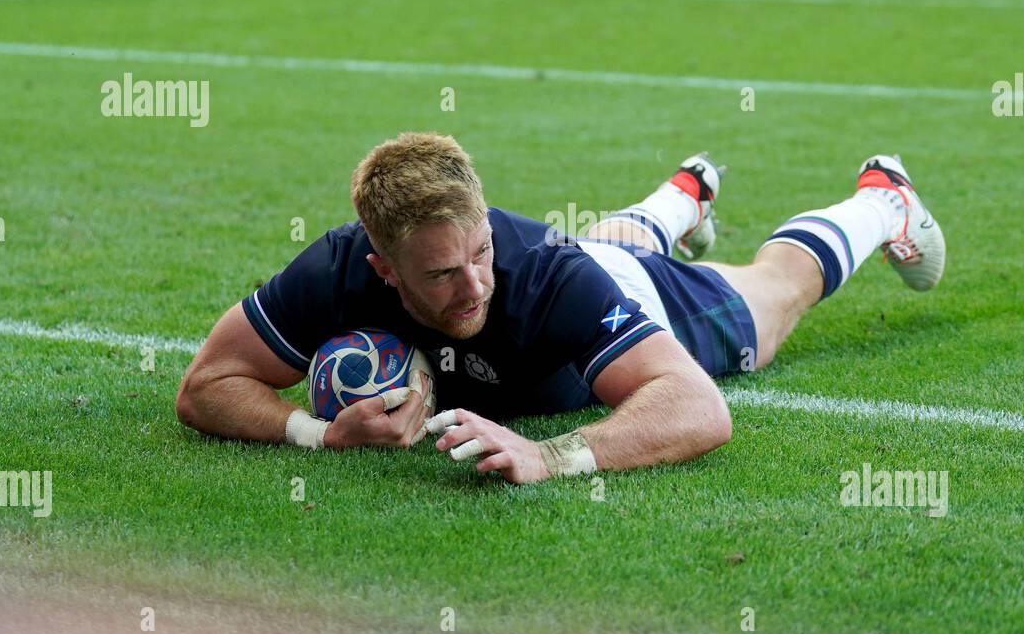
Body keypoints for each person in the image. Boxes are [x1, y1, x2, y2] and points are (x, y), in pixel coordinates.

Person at [176, 133, 946, 484]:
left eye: (480, 256)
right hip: (589, 262)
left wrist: (551, 456)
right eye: (442, 274)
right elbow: (204, 386)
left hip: (629, 291)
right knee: (600, 251)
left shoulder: (544, 277)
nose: (474, 287)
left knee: (769, 302)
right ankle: (679, 199)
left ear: (487, 225)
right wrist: (316, 435)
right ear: (383, 268)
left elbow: (700, 411)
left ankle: (883, 201)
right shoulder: (337, 269)